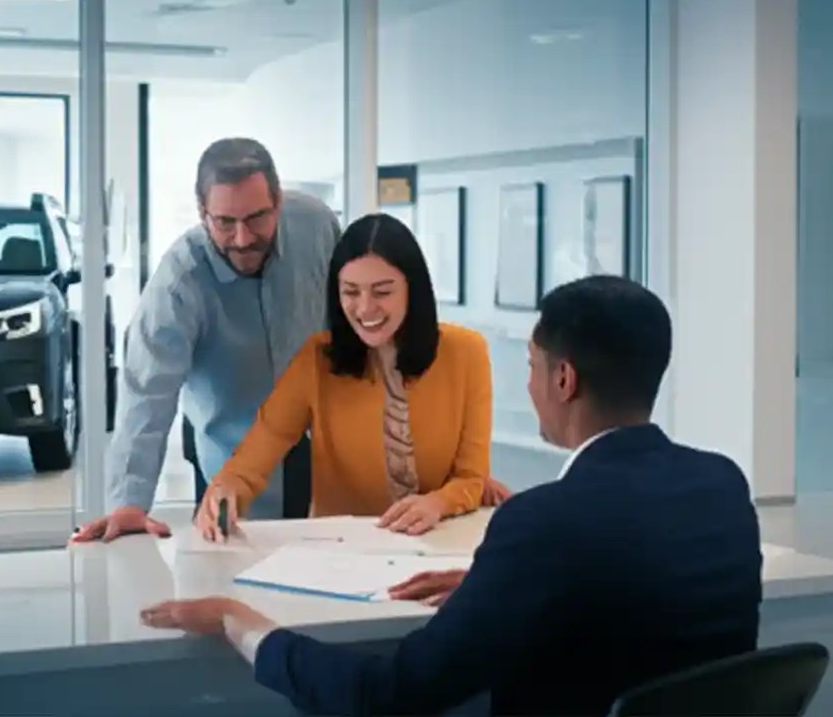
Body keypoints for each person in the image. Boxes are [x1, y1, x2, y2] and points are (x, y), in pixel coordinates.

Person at [140, 275, 764, 716]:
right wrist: (498, 588)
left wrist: (239, 622)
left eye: (535, 364)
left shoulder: (540, 522)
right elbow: (627, 595)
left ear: (564, 378)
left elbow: (393, 692)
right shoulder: (723, 485)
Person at [72, 138, 341, 542]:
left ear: (279, 201)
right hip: (231, 452)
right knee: (238, 576)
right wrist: (129, 503)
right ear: (202, 213)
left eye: (257, 217)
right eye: (225, 222)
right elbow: (147, 391)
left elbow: (349, 312)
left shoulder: (316, 225)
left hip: (324, 442)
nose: (242, 238)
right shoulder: (179, 280)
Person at [196, 213, 511, 540]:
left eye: (382, 292)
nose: (365, 309)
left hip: (437, 543)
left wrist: (437, 503)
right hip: (344, 553)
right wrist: (227, 487)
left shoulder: (467, 353)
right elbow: (261, 448)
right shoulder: (317, 358)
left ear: (412, 289)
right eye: (351, 292)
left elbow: (472, 477)